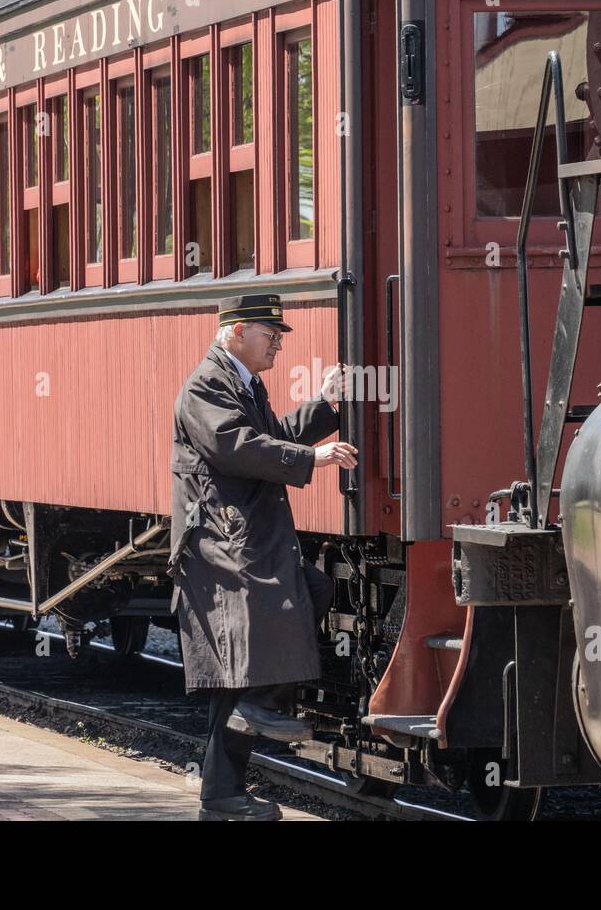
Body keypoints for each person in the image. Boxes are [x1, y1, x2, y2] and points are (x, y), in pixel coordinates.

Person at [168, 293, 358, 821]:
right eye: (268, 333)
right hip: (219, 549)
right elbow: (239, 447)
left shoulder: (242, 384)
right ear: (234, 334)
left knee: (244, 673)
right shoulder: (206, 385)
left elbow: (270, 438)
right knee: (250, 663)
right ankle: (255, 722)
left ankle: (224, 788)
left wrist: (324, 405)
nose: (277, 342)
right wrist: (312, 458)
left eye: (278, 335)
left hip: (239, 543)